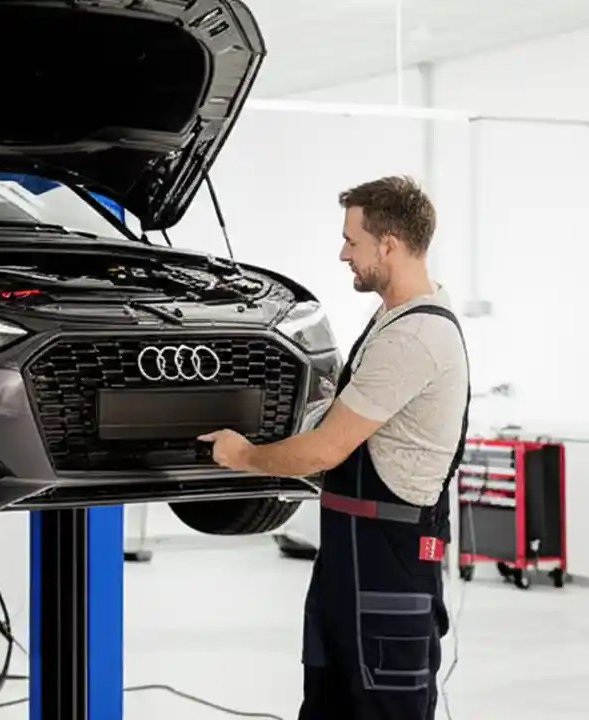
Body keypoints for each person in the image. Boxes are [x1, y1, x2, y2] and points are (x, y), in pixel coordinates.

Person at [197, 176, 469, 720]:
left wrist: (244, 455)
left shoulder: (411, 338)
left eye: (352, 240)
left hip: (387, 564)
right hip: (352, 558)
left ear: (387, 243)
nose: (343, 252)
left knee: (380, 706)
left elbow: (326, 450)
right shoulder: (394, 318)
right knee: (328, 701)